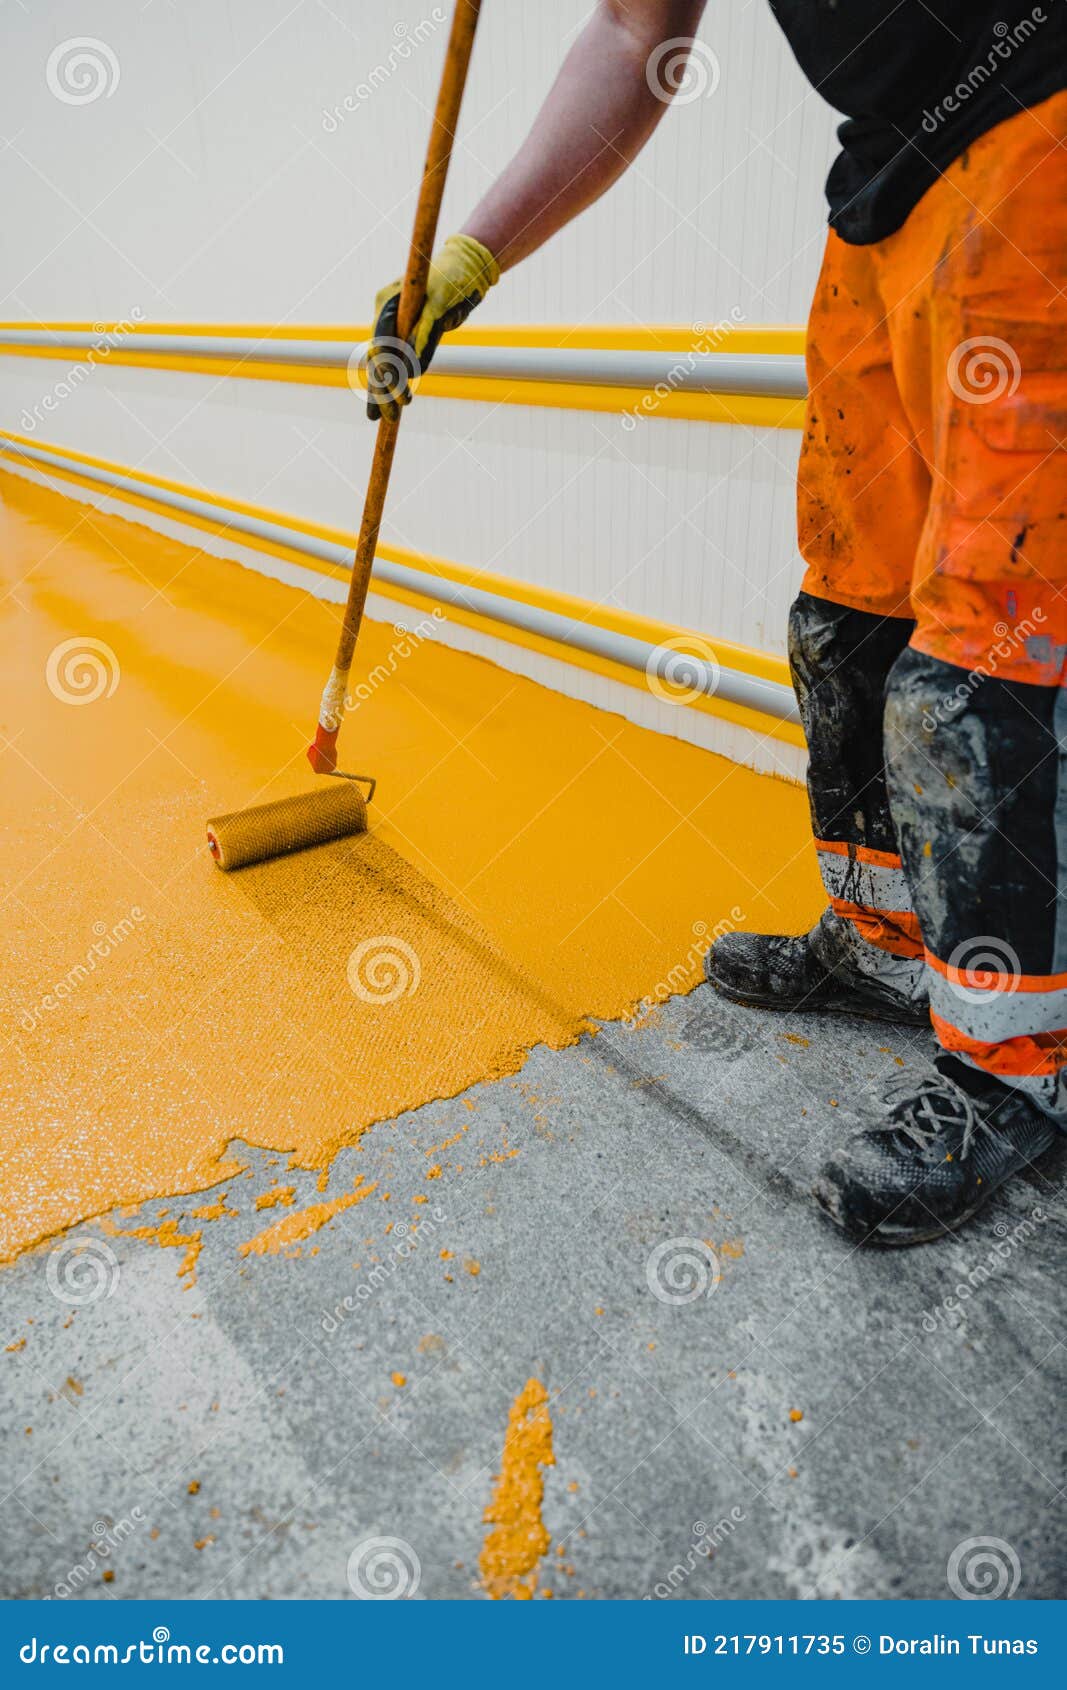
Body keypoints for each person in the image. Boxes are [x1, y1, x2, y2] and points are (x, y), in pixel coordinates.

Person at [368, 0, 1067, 1245]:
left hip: (1042, 129)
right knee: (847, 613)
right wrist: (474, 254)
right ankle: (882, 942)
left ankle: (1019, 1062)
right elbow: (637, 31)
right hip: (883, 186)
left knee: (987, 647)